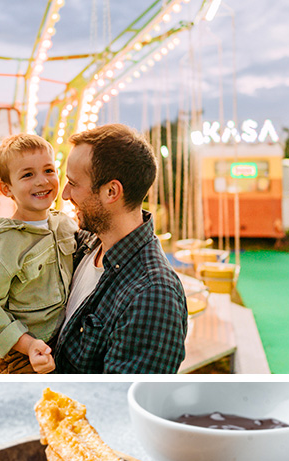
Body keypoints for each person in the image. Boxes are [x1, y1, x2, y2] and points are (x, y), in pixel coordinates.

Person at [53, 124, 188, 373]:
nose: (65, 194)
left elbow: (120, 392)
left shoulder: (152, 295)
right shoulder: (87, 243)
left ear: (111, 191)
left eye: (73, 183)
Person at [0, 133, 80, 374]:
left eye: (48, 170)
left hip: (61, 342)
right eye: (27, 175)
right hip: (22, 354)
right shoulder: (2, 246)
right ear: (6, 188)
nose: (42, 181)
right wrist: (29, 344)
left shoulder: (65, 225)